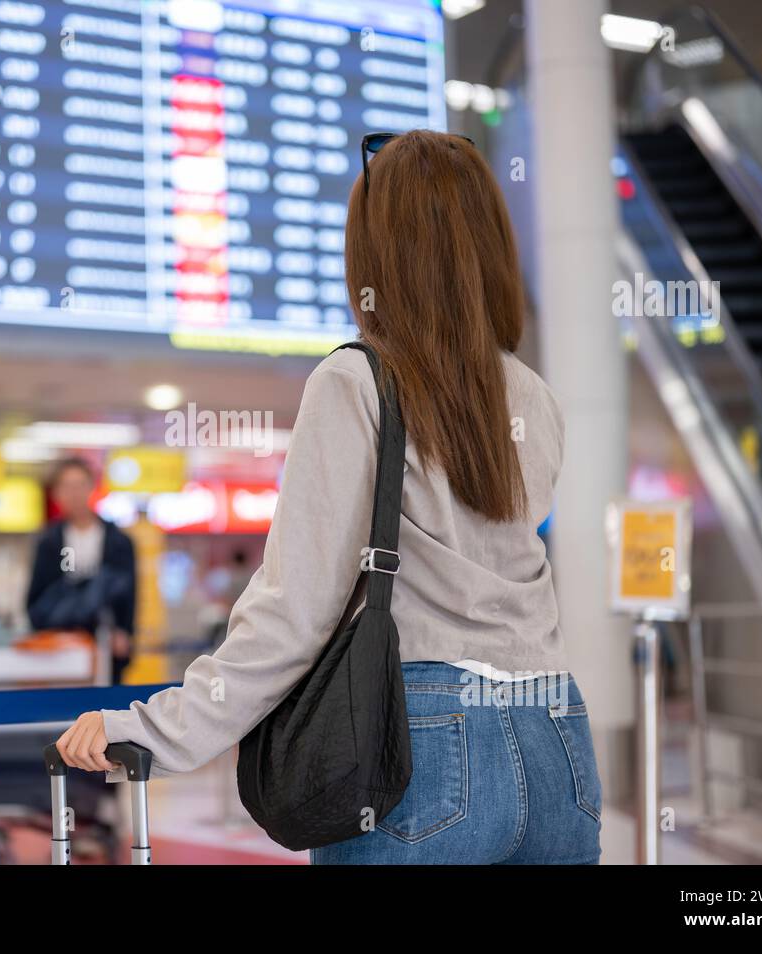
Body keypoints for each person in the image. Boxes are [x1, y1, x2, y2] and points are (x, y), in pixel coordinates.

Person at [57, 130, 602, 864]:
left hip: (421, 744)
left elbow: (295, 612)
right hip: (557, 739)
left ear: (377, 254)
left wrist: (156, 729)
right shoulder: (533, 397)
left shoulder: (356, 383)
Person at [26, 459, 137, 684]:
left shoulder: (118, 541)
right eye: (66, 487)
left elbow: (129, 593)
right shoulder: (48, 542)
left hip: (104, 642)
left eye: (79, 485)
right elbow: (37, 596)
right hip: (59, 649)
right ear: (56, 493)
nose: (74, 494)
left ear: (91, 487)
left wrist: (124, 631)